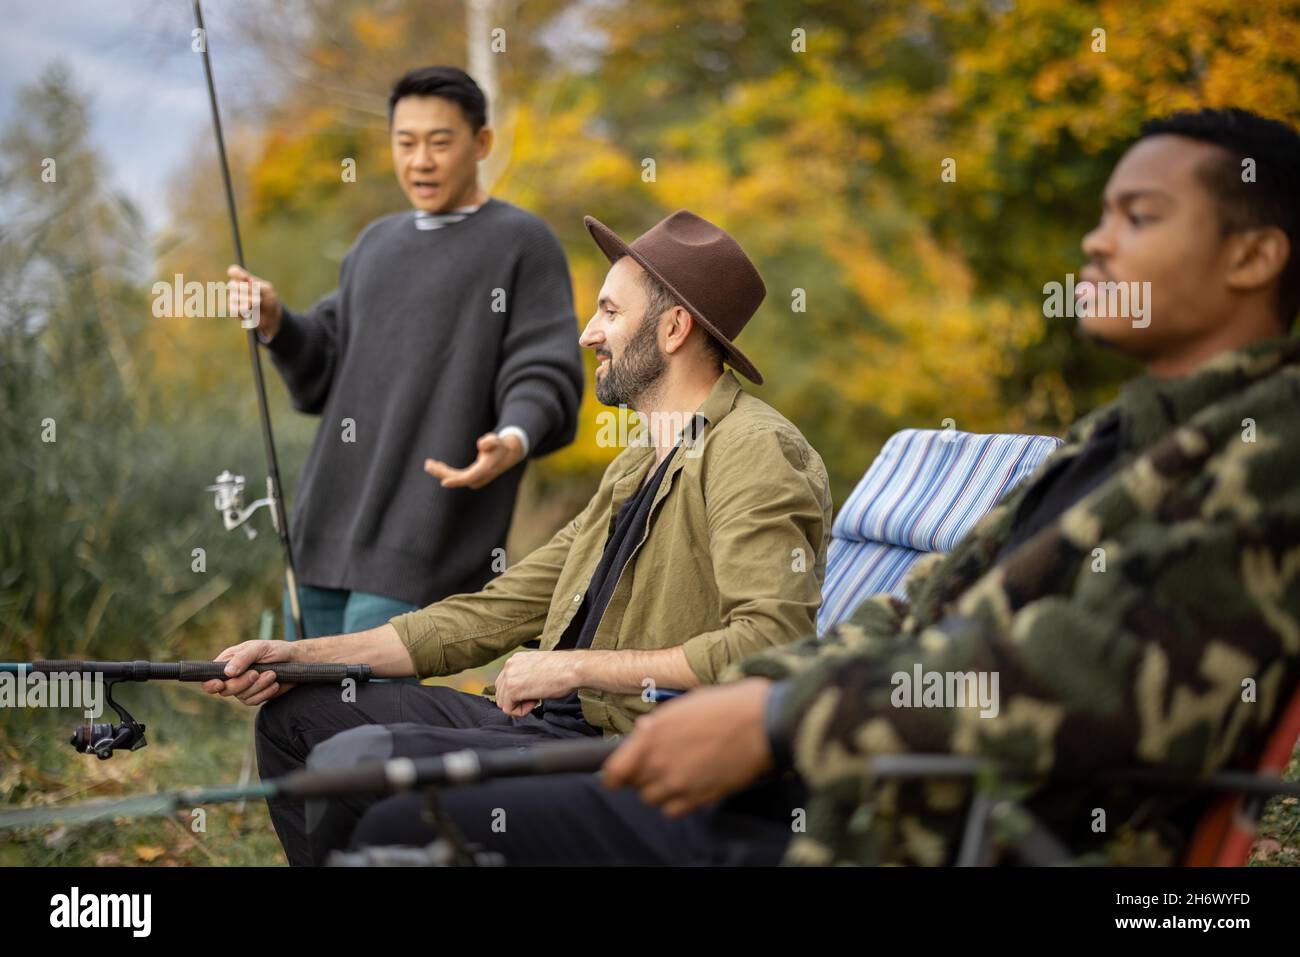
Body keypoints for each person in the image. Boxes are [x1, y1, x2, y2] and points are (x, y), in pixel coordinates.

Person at [350, 107, 1300, 866]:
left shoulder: (1267, 454)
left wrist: (770, 712)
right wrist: (754, 703)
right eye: (1101, 214)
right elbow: (911, 609)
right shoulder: (1109, 441)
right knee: (369, 767)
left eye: (1139, 216)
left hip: (907, 829)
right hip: (832, 788)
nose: (1095, 243)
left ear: (1255, 256)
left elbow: (1084, 669)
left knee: (409, 818)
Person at [206, 209, 833, 866]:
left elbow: (771, 644)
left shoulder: (753, 450)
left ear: (673, 329)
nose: (589, 334)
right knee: (295, 716)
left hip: (628, 752)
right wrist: (298, 656)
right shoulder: (635, 465)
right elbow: (496, 610)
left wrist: (572, 666)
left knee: (358, 769)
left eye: (610, 313)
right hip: (546, 730)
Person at [225, 66, 583, 642]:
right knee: (299, 714)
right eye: (406, 142)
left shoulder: (521, 242)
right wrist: (275, 322)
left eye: (440, 142)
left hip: (422, 539)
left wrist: (512, 437)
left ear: (481, 143)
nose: (421, 160)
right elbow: (324, 360)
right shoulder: (375, 243)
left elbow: (544, 366)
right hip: (322, 532)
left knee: (374, 716)